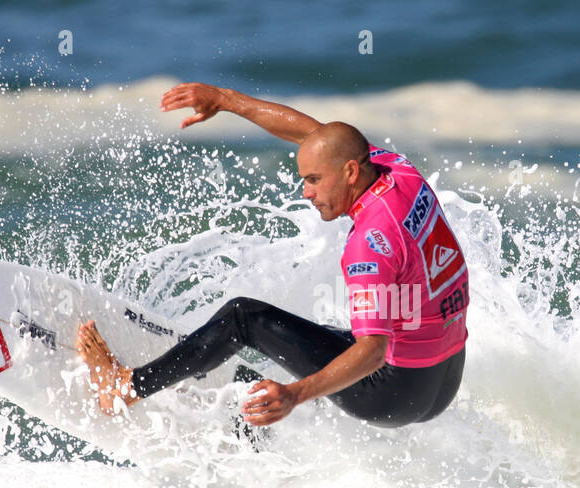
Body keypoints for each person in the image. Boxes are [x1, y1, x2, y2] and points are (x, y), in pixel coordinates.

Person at [76, 82, 469, 428]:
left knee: (243, 318)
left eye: (314, 180)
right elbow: (315, 135)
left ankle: (124, 388)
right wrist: (227, 101)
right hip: (444, 378)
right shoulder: (398, 171)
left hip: (391, 396)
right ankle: (255, 415)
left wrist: (296, 394)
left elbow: (372, 351)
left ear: (350, 172)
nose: (306, 192)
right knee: (298, 334)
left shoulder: (370, 243)